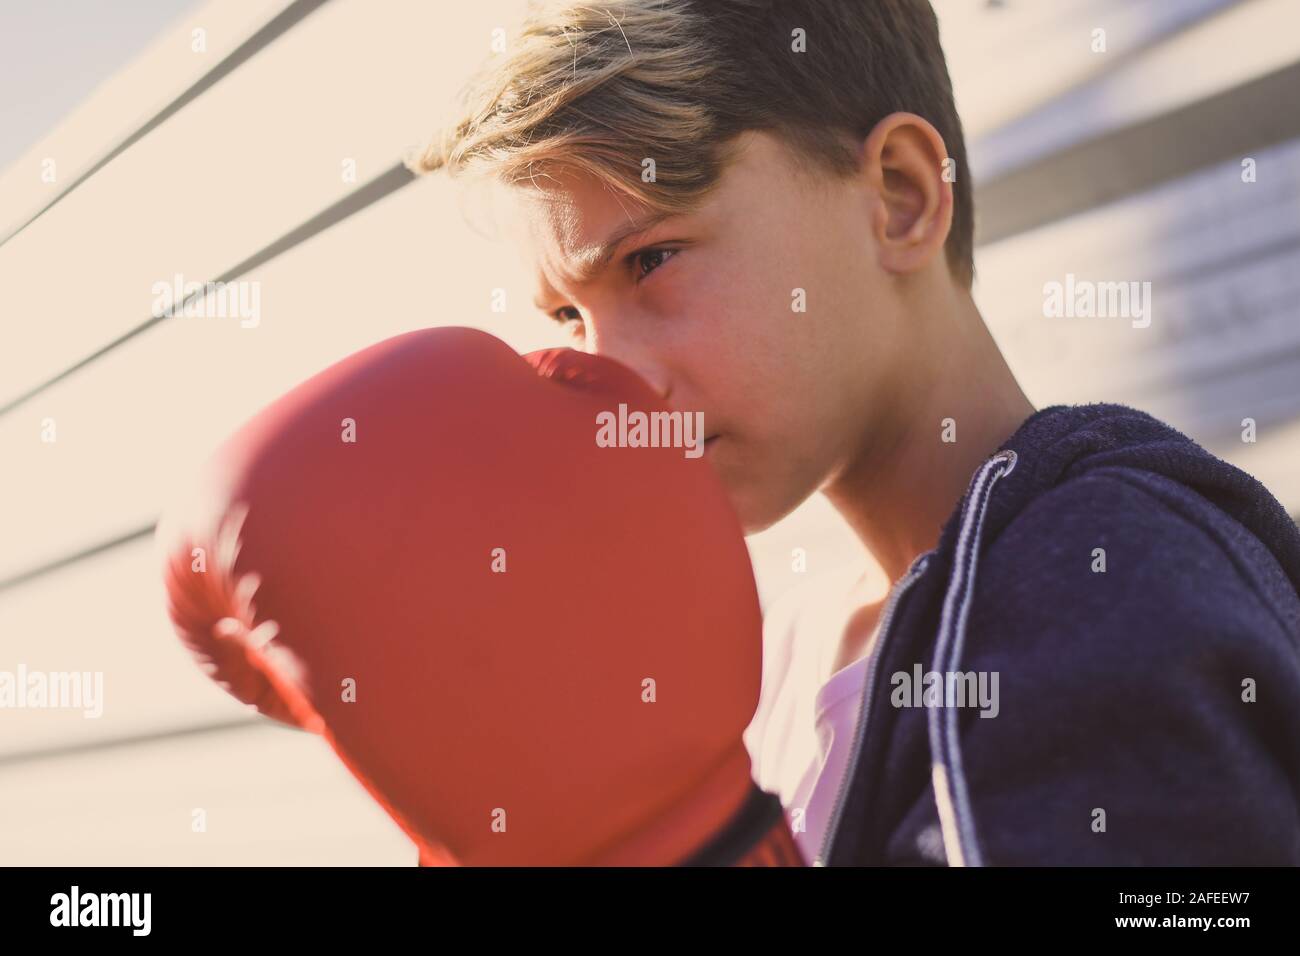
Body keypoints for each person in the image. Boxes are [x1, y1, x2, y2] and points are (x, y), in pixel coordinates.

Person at [409, 0, 1300, 864]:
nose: (612, 382)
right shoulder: (790, 650)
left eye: (652, 260)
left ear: (902, 198)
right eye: (568, 314)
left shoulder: (1101, 577)